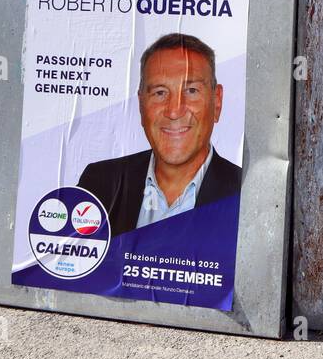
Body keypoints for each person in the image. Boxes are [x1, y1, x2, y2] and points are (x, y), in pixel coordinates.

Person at [77, 33, 240, 236]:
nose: (174, 111)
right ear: (141, 104)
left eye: (191, 90)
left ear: (217, 102)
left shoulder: (247, 193)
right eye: (160, 92)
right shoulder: (100, 184)